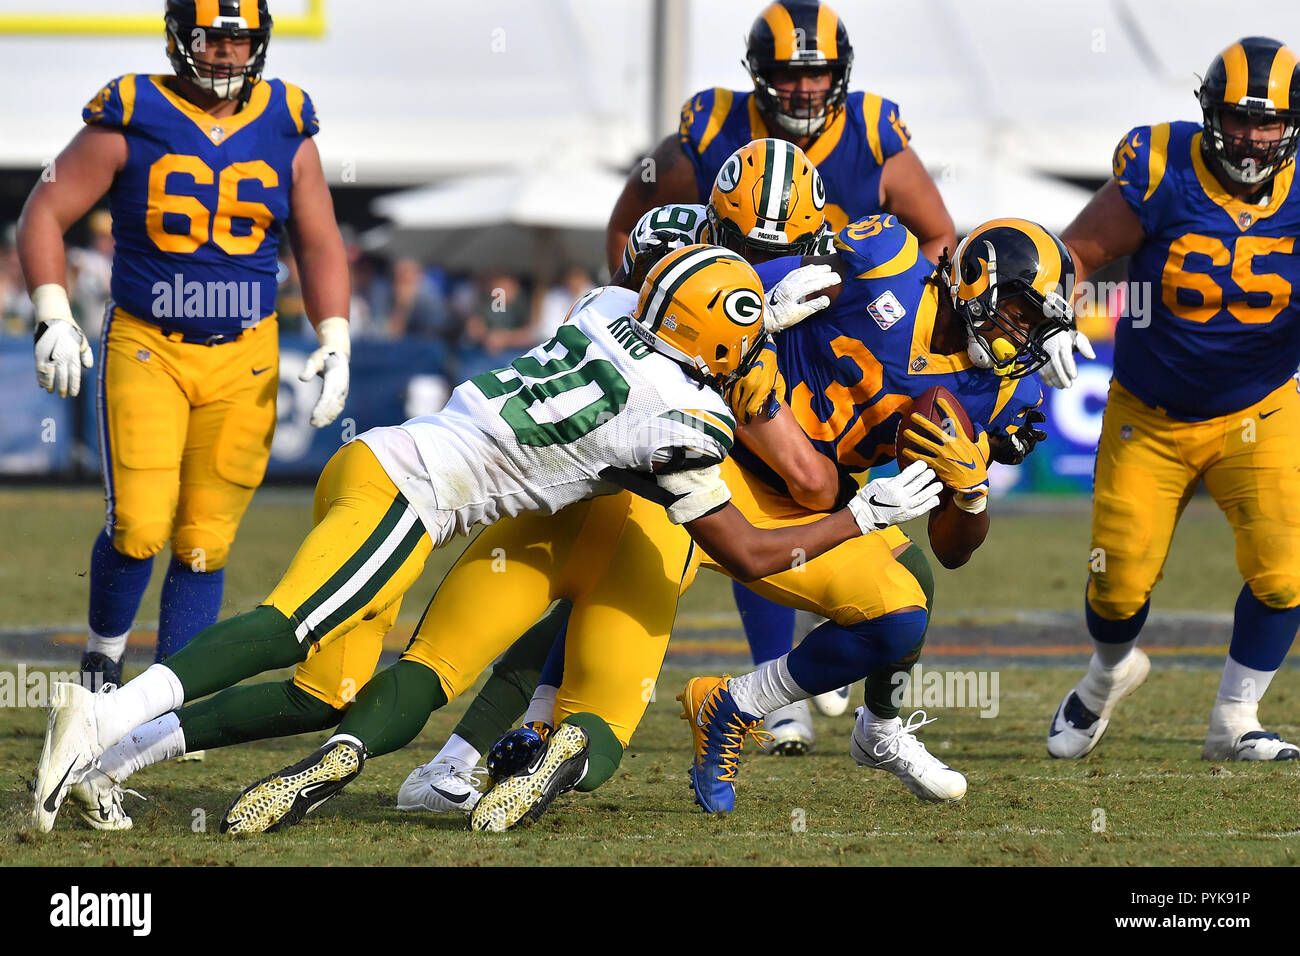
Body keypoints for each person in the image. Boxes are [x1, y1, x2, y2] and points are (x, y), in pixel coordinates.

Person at [32, 244, 942, 834]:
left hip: (387, 469)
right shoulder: (676, 423)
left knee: (323, 692)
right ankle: (104, 714)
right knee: (289, 626)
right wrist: (862, 517)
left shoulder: (605, 307)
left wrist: (757, 315)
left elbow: (669, 307)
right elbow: (747, 553)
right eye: (741, 339)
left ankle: (113, 761)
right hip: (411, 493)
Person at [424, 216, 1072, 830]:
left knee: (903, 608)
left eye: (1036, 325)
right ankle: (470, 752)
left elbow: (955, 550)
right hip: (716, 451)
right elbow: (728, 294)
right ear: (978, 280)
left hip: (810, 499)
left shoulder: (1009, 392)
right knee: (599, 593)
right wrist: (769, 305)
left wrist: (973, 495)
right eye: (1020, 314)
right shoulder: (886, 258)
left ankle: (738, 705)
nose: (1024, 337)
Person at [609, 1, 958, 751]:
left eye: (817, 73)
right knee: (759, 505)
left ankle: (834, 688)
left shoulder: (872, 133)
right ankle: (778, 683)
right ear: (758, 75)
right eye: (789, 74)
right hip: (739, 350)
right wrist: (640, 303)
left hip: (841, 356)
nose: (803, 89)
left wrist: (897, 313)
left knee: (837, 507)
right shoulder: (709, 129)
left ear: (841, 74)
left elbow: (938, 237)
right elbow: (633, 222)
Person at [17, 0, 350, 695]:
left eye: (241, 39)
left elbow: (318, 241)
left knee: (205, 539)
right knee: (139, 525)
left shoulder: (288, 121)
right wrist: (51, 311)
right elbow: (45, 210)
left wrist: (336, 336)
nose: (227, 53)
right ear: (179, 39)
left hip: (247, 352)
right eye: (212, 38)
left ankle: (172, 696)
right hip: (149, 344)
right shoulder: (134, 110)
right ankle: (102, 666)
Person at [1047, 36, 1300, 762]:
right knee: (1117, 589)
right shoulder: (1163, 167)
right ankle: (1105, 678)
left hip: (1262, 407)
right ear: (1208, 114)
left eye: (1269, 122)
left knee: (1285, 571)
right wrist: (1056, 315)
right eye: (1238, 119)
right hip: (1149, 415)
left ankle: (1235, 720)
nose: (1252, 138)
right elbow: (1077, 256)